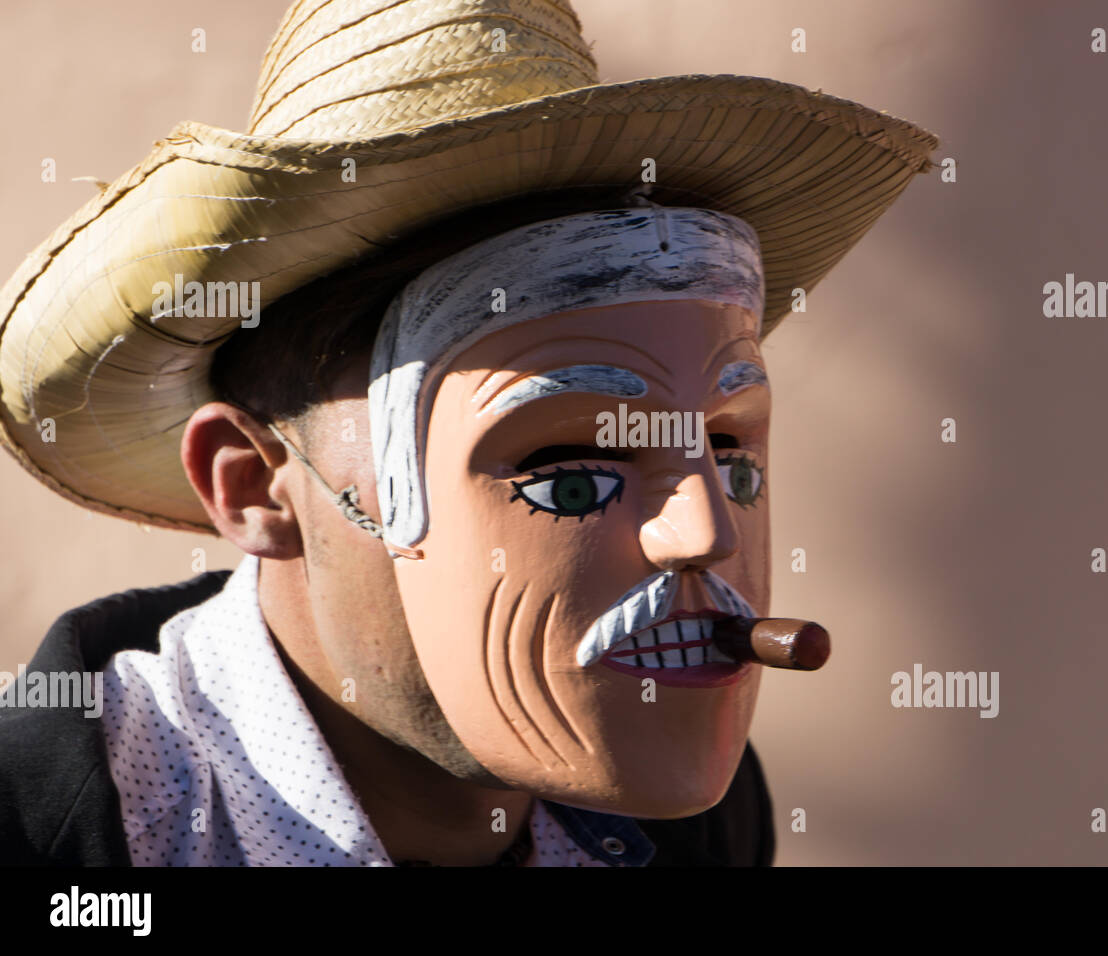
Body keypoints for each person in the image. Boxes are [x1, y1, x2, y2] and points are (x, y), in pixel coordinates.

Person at [0, 0, 937, 866]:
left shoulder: (698, 828)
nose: (708, 534)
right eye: (572, 478)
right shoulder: (57, 833)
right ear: (254, 485)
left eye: (729, 455)